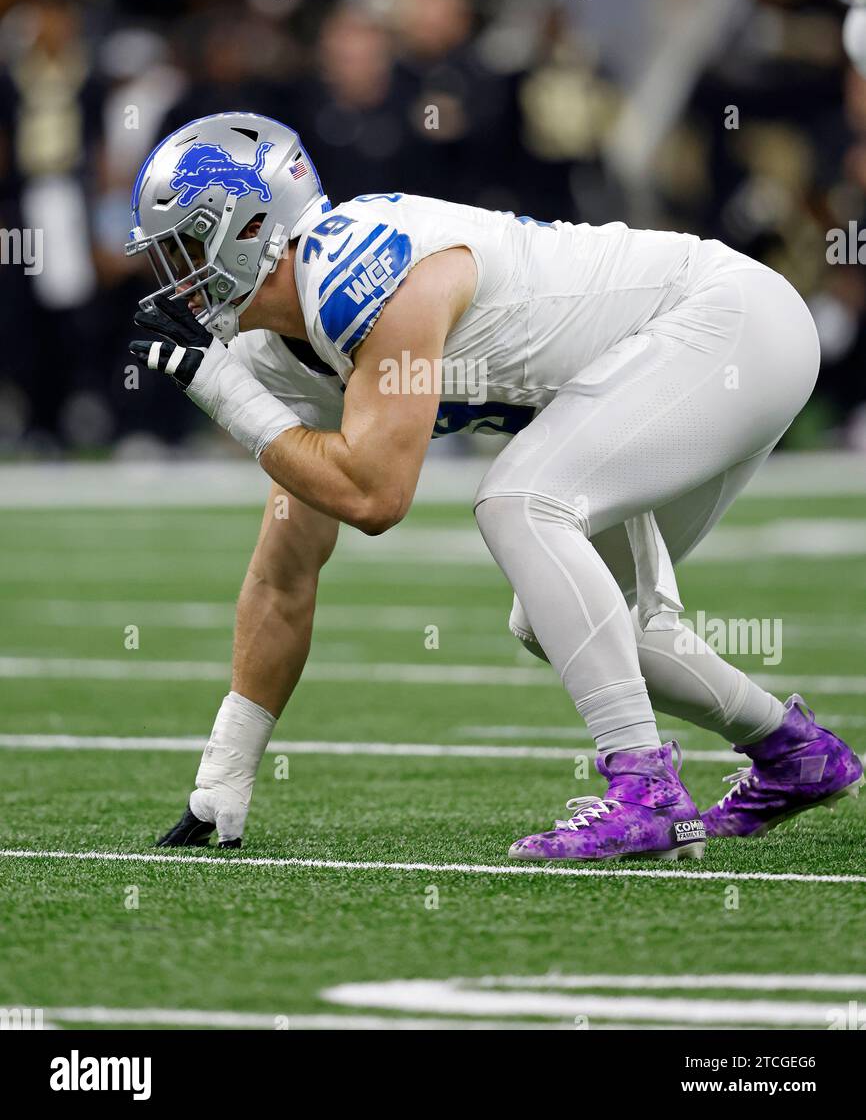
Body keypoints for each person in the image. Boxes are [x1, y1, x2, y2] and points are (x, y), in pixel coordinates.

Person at [126, 112, 863, 860]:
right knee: (562, 618)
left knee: (519, 501)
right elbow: (286, 573)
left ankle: (645, 790)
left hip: (727, 322)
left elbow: (376, 498)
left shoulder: (356, 267)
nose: (175, 275)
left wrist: (224, 396)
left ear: (251, 227)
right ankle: (795, 753)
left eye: (187, 245)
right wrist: (227, 767)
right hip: (693, 357)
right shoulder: (273, 358)